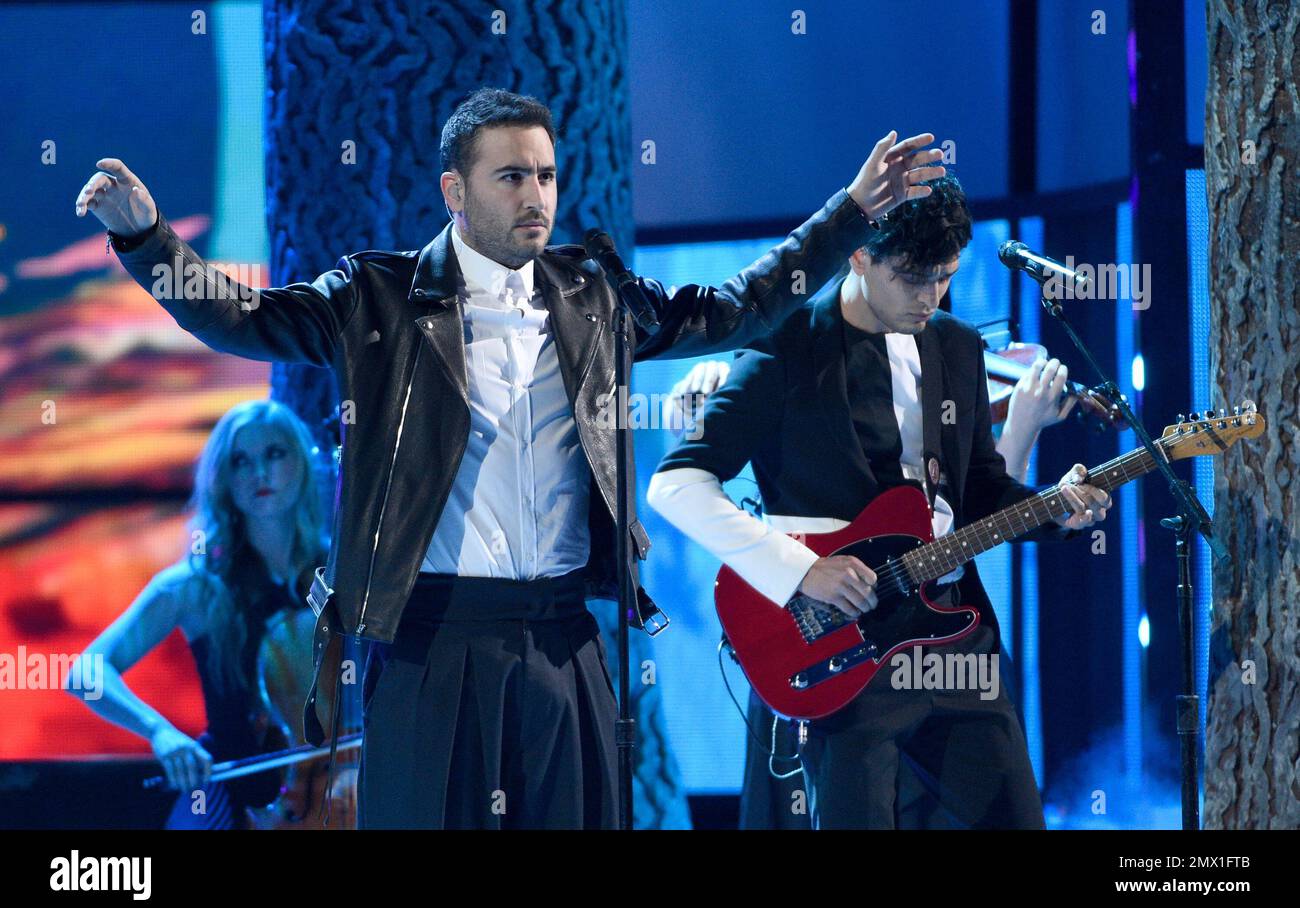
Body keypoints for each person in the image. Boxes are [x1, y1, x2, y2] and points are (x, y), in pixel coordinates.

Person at [75, 87, 946, 828]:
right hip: (429, 643)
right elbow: (241, 317)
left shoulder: (593, 294)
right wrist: (150, 239)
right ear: (456, 190)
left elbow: (739, 306)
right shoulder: (375, 298)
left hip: (563, 638)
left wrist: (849, 217)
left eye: (546, 175)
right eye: (512, 177)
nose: (538, 195)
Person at [647, 175, 1111, 829]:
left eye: (945, 276)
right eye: (914, 277)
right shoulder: (786, 346)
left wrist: (1054, 509)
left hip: (954, 636)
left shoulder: (956, 345)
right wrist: (802, 570)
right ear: (859, 253)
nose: (931, 296)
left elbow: (976, 485)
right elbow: (675, 483)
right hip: (844, 642)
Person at [66, 400, 337, 829]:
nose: (259, 473)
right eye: (240, 461)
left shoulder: (340, 573)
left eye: (274, 454)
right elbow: (86, 673)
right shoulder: (197, 586)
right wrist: (160, 732)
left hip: (331, 789)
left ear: (302, 462)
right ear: (224, 480)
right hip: (229, 792)